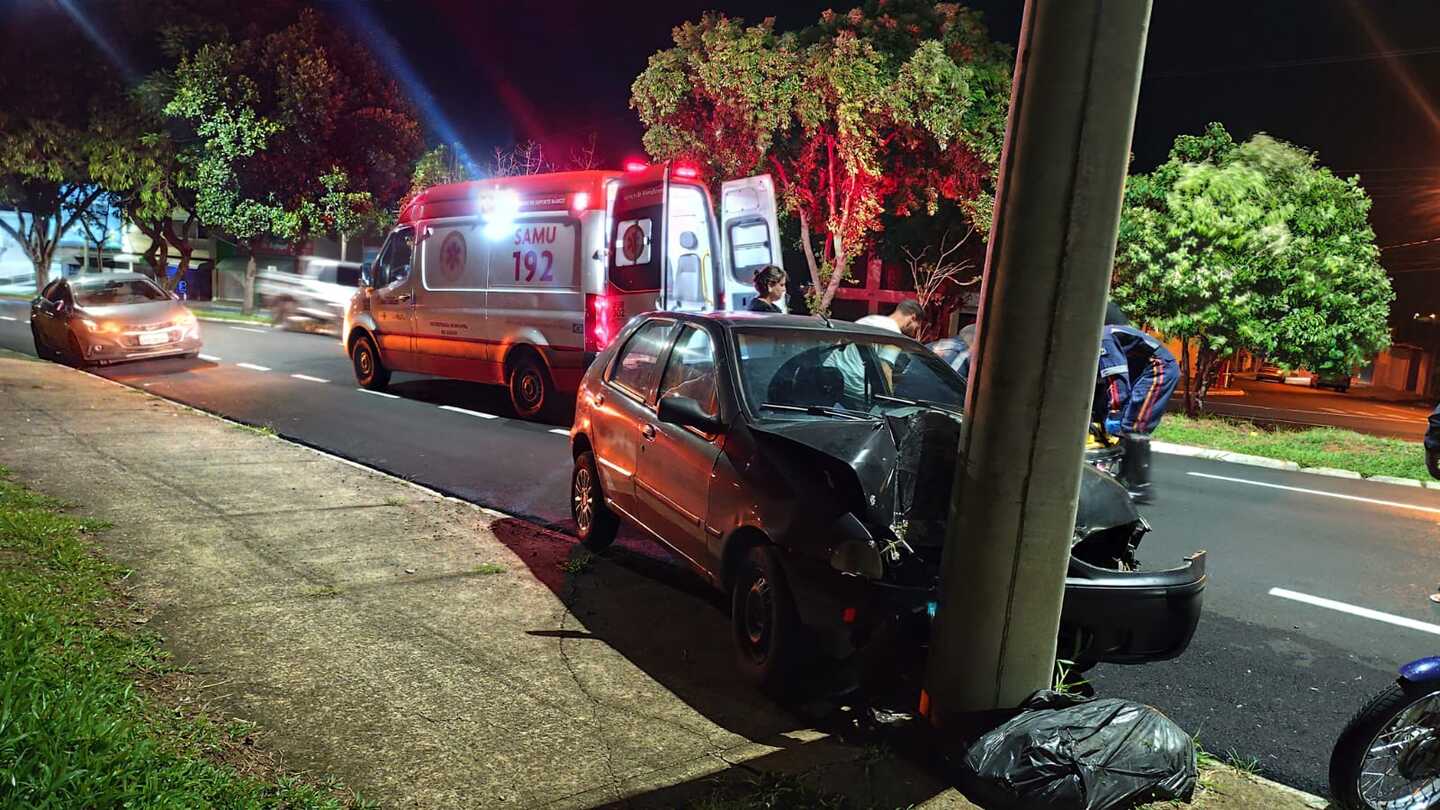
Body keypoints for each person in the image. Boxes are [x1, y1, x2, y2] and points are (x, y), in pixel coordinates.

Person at [1095, 301, 1180, 503]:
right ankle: (1125, 478)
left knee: (1134, 425)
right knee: (1127, 425)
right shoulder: (1110, 333)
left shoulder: (1104, 336)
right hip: (1144, 371)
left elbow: (1115, 376)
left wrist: (1115, 411)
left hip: (1159, 369)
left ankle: (1139, 486)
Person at [827, 300, 925, 403]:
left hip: (831, 376)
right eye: (917, 327)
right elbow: (885, 369)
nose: (915, 332)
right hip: (855, 388)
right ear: (912, 317)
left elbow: (841, 343)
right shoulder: (894, 335)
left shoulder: (870, 319)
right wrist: (889, 399)